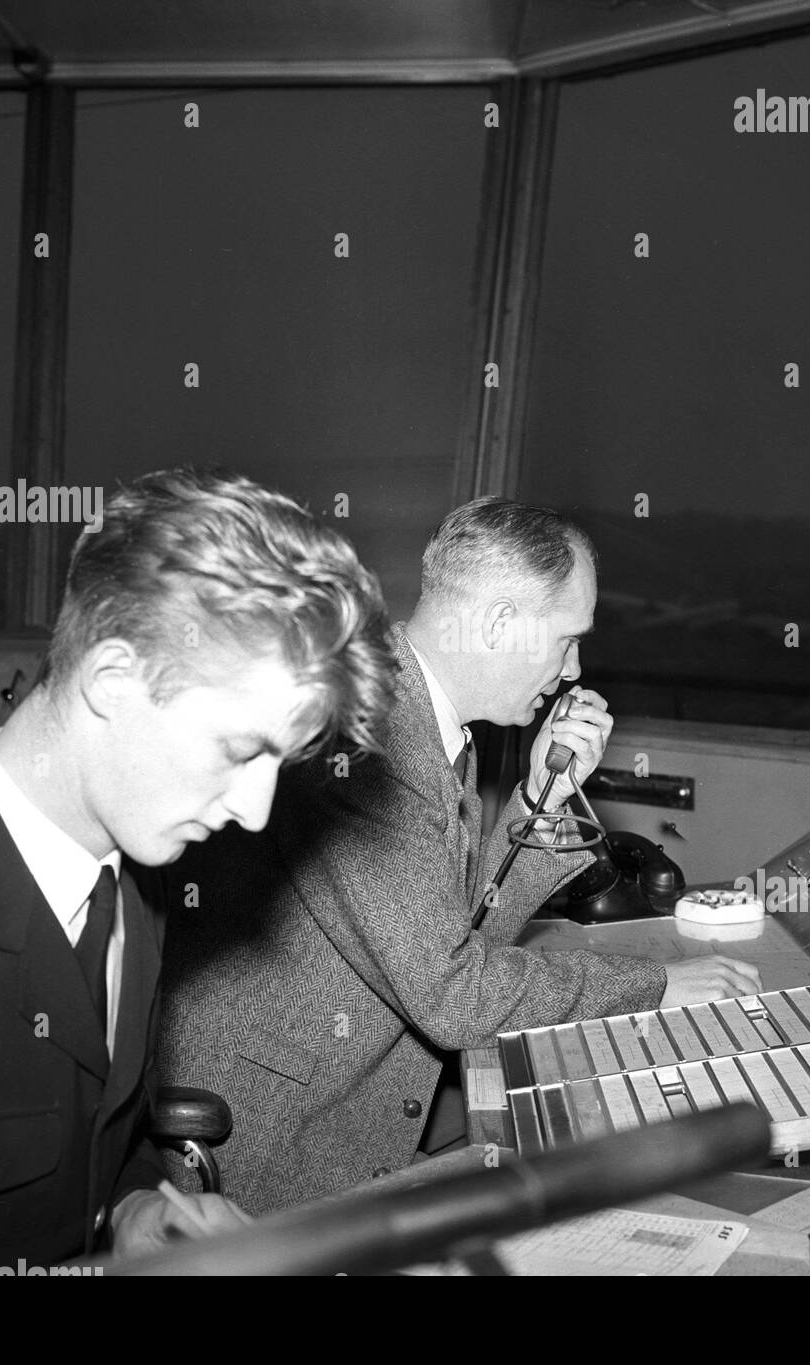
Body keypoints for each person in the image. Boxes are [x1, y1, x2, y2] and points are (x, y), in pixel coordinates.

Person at [0, 468, 394, 1273]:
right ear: (111, 682)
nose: (256, 811)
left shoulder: (139, 879)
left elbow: (98, 1136)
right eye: (241, 750)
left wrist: (135, 1211)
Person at [156, 496, 759, 1213]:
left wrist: (541, 798)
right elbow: (455, 994)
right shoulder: (367, 736)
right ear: (501, 623)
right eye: (567, 639)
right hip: (267, 1148)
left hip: (348, 1116)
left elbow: (458, 935)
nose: (573, 670)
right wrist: (655, 987)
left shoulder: (436, 724)